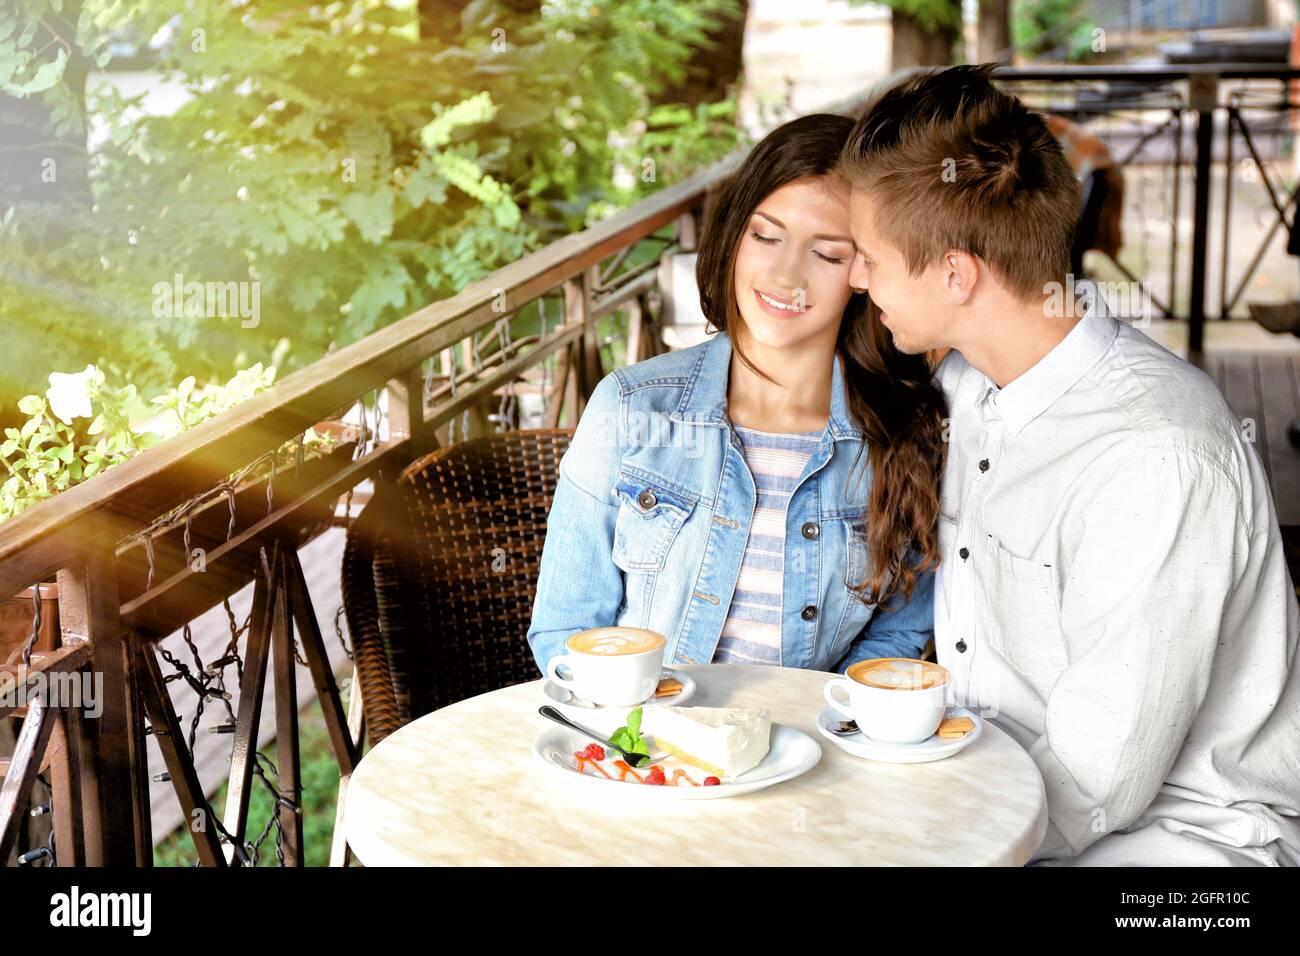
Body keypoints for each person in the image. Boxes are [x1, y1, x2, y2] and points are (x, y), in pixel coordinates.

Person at [837, 63, 1300, 866]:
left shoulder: (1154, 456)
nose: (854, 276)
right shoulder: (971, 385)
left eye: (869, 255)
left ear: (956, 274)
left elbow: (1103, 776)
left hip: (1182, 848)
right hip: (1005, 799)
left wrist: (915, 841)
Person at [526, 113, 947, 675]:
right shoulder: (630, 408)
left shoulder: (903, 431)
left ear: (866, 273)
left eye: (827, 254)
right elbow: (564, 629)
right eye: (766, 236)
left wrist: (814, 729)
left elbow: (898, 632)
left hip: (816, 751)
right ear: (734, 235)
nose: (785, 274)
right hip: (646, 748)